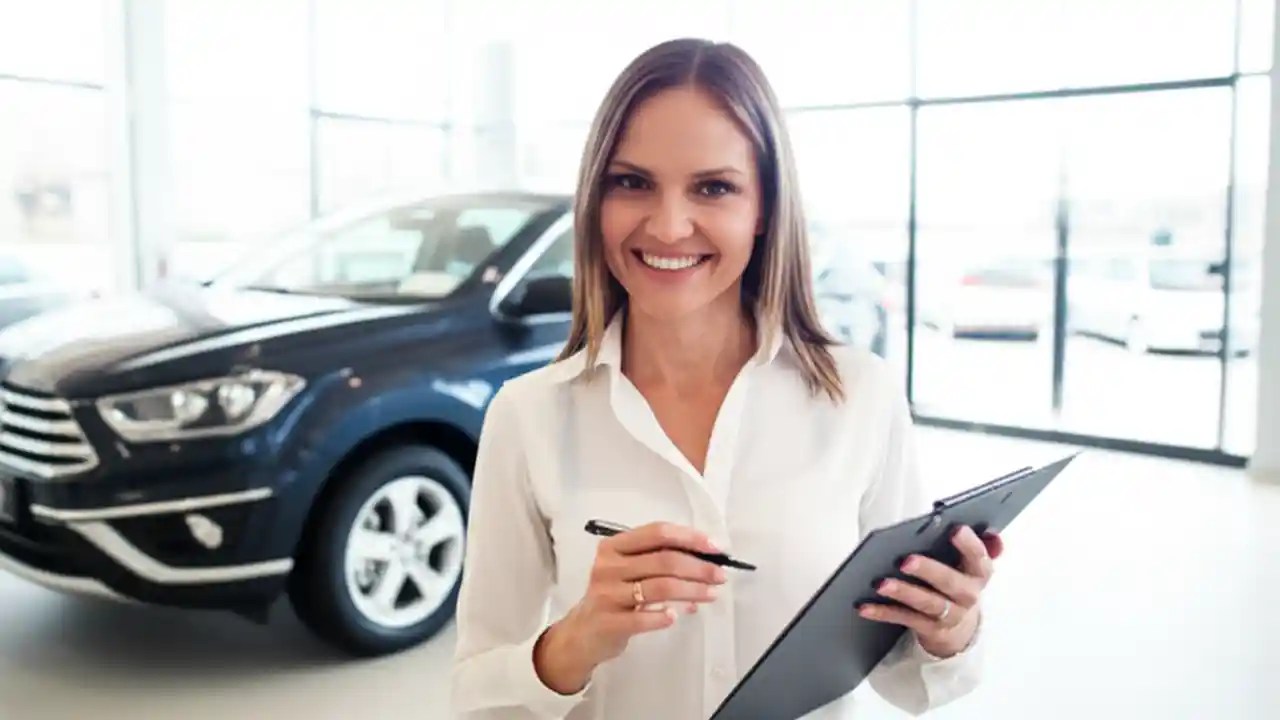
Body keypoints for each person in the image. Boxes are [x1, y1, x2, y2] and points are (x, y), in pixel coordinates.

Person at [451, 38, 1003, 719]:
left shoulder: (861, 396)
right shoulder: (529, 415)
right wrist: (577, 638)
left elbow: (908, 679)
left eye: (713, 187)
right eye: (632, 182)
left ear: (765, 207)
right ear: (596, 198)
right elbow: (477, 695)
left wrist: (950, 626)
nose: (669, 224)